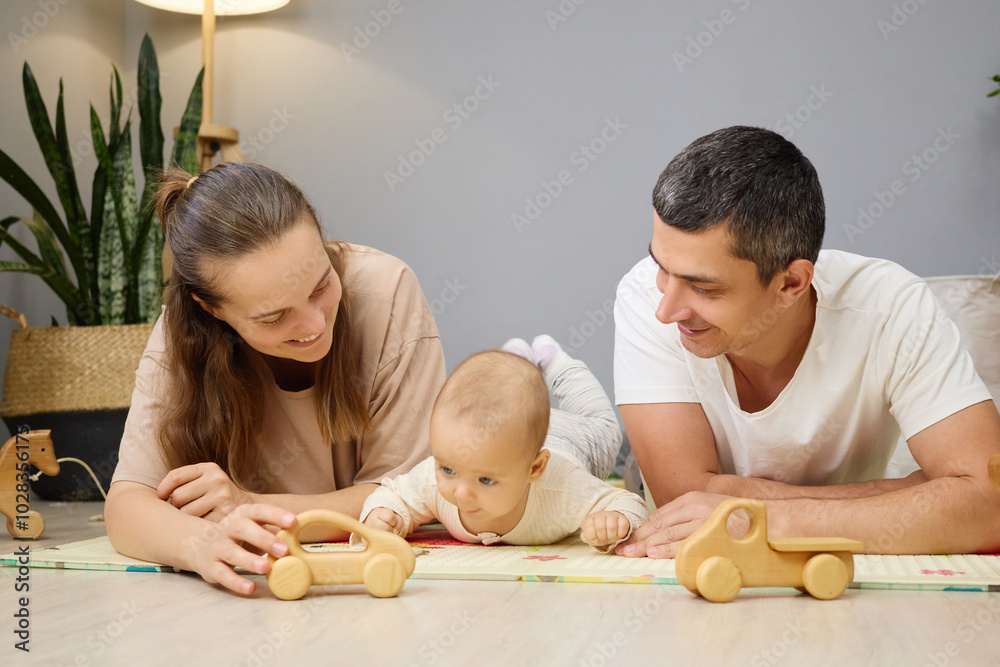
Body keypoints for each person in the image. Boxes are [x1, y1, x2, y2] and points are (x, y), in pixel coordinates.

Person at [613, 126, 1000, 558]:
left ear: (791, 284)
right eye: (661, 266)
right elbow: (682, 500)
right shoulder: (644, 296)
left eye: (704, 288)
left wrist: (765, 520)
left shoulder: (891, 306)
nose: (666, 310)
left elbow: (989, 503)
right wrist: (904, 495)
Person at [105, 162, 446, 595]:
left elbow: (407, 495)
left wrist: (250, 506)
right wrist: (201, 544)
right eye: (274, 316)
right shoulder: (182, 328)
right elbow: (126, 505)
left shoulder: (388, 292)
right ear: (211, 310)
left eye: (321, 286)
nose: (314, 325)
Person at [361, 341, 647, 552]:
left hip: (575, 439)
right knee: (509, 390)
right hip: (511, 439)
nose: (459, 492)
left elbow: (629, 503)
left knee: (605, 426)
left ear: (535, 469)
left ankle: (556, 362)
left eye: (486, 479)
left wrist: (615, 520)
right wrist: (384, 514)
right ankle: (516, 361)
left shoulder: (564, 488)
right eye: (447, 469)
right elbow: (392, 494)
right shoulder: (434, 480)